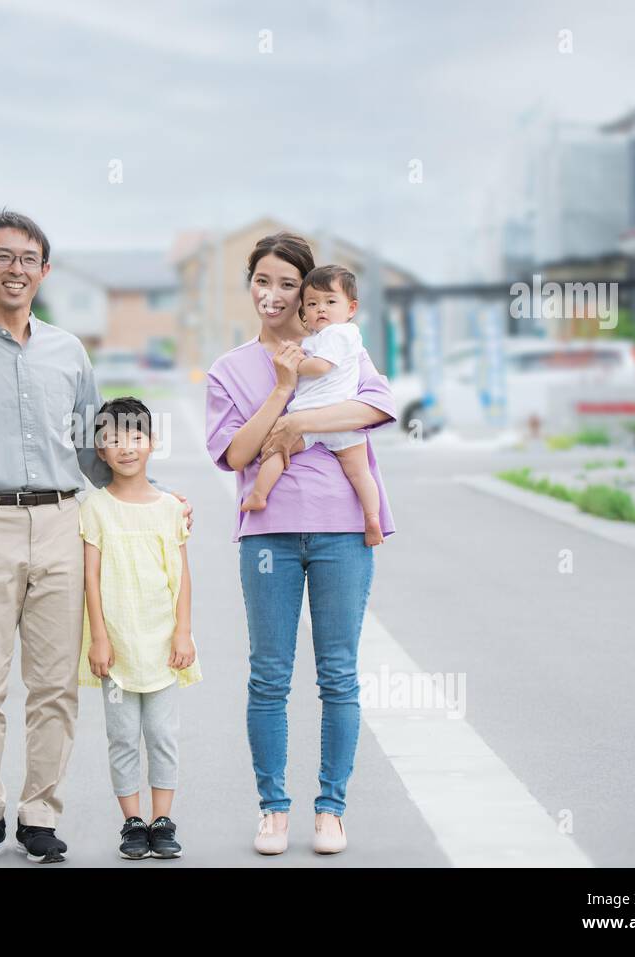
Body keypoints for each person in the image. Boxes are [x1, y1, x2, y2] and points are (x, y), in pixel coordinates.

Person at [0, 209, 192, 866]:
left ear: (44, 270)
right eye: (3, 256)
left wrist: (156, 495)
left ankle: (39, 813)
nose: (16, 269)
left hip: (64, 523)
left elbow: (98, 451)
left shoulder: (69, 351)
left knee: (55, 684)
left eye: (28, 258)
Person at [204, 232, 397, 856]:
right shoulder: (230, 368)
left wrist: (298, 423)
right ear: (250, 286)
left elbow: (373, 410)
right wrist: (284, 389)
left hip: (342, 530)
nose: (277, 295)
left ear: (315, 295)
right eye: (264, 281)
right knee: (269, 676)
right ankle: (273, 810)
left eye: (291, 285)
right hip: (269, 535)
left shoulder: (343, 346)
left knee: (338, 675)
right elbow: (235, 453)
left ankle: (331, 809)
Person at [77, 396, 202, 860]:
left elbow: (182, 574)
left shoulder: (170, 508)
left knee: (162, 734)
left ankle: (162, 820)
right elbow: (90, 577)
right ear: (100, 451)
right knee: (123, 734)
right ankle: (132, 821)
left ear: (153, 443)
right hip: (115, 647)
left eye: (135, 436)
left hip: (162, 643)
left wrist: (183, 632)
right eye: (112, 439)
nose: (125, 447)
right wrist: (99, 638)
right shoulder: (95, 508)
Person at [241, 265, 384, 547]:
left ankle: (259, 493)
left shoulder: (339, 334)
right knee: (359, 471)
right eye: (313, 304)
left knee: (277, 450)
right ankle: (371, 517)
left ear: (351, 308)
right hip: (342, 424)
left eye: (331, 302)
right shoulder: (318, 339)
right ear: (303, 311)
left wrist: (295, 366)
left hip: (319, 415)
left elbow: (319, 367)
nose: (321, 309)